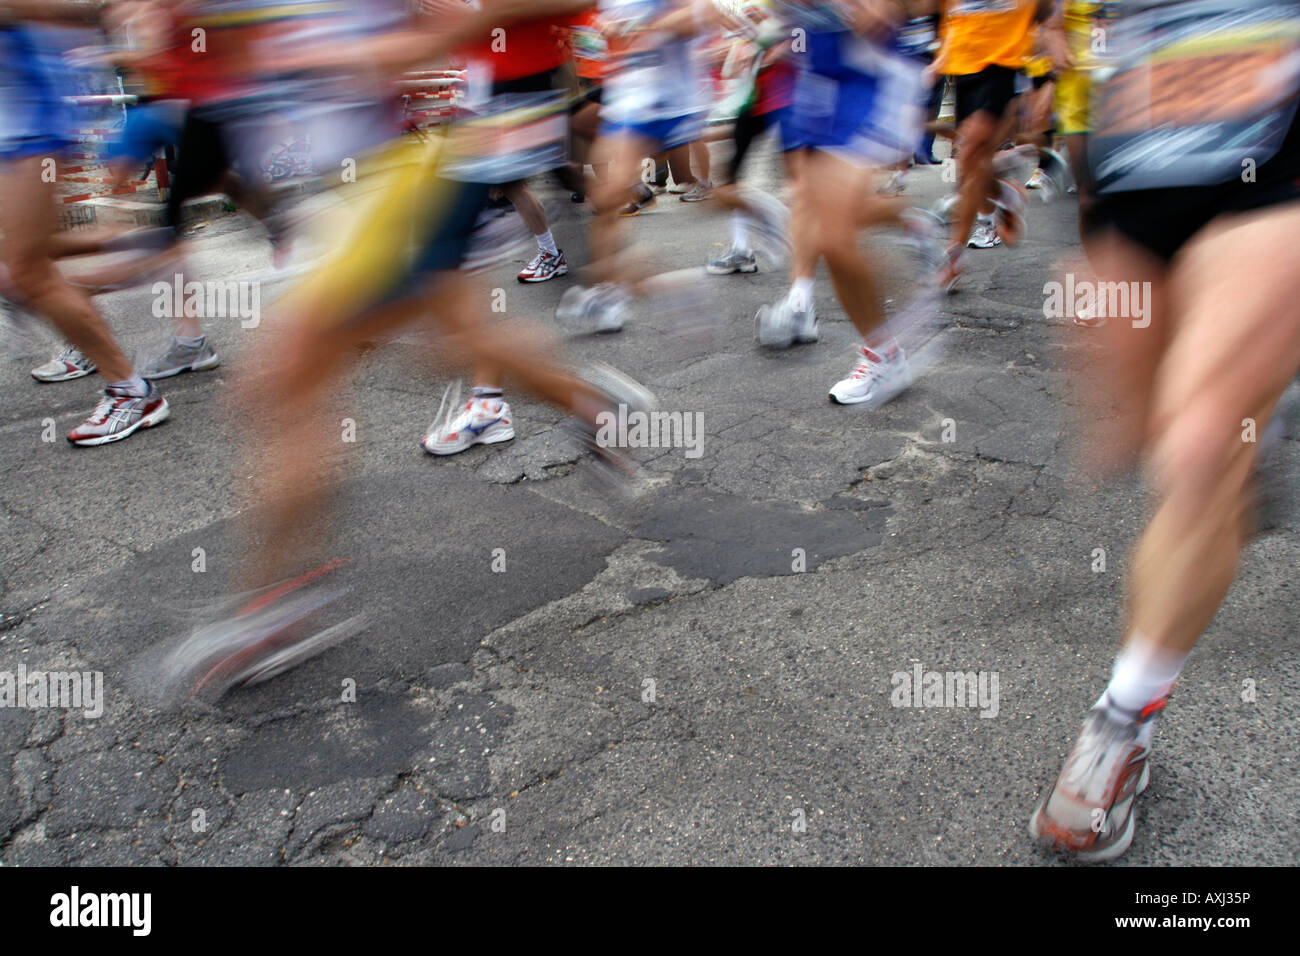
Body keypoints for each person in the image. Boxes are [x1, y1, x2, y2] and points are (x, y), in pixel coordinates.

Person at [1030, 0, 1300, 860]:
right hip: (1139, 149)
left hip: (1278, 148)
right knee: (1137, 448)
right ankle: (1251, 421)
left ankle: (1121, 727)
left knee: (1197, 445)